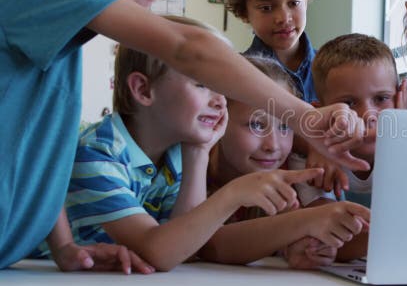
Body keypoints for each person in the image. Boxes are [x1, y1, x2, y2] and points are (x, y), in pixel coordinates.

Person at [0, 0, 367, 271]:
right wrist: (307, 116)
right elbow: (186, 48)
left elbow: (43, 148)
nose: (141, 9)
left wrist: (63, 246)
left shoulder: (62, 28)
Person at [59, 16, 346, 272]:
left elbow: (187, 246)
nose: (220, 100)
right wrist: (234, 193)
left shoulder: (176, 153)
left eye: (220, 86)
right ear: (144, 90)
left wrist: (197, 152)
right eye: (202, 83)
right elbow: (159, 252)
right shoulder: (98, 154)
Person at [199, 54, 370, 265]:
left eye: (284, 127)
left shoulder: (291, 173)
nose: (273, 145)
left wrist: (308, 248)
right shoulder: (194, 164)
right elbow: (207, 245)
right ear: (219, 117)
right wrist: (304, 223)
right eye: (257, 125)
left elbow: (304, 241)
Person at [222, 0, 347, 196]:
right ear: (245, 12)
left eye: (293, 3)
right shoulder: (238, 75)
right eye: (267, 8)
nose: (283, 17)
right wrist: (314, 144)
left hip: (326, 188)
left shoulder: (334, 69)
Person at [284, 33, 404, 269]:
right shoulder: (309, 161)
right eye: (349, 103)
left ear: (401, 99)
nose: (367, 115)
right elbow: (328, 238)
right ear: (319, 112)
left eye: (381, 98)